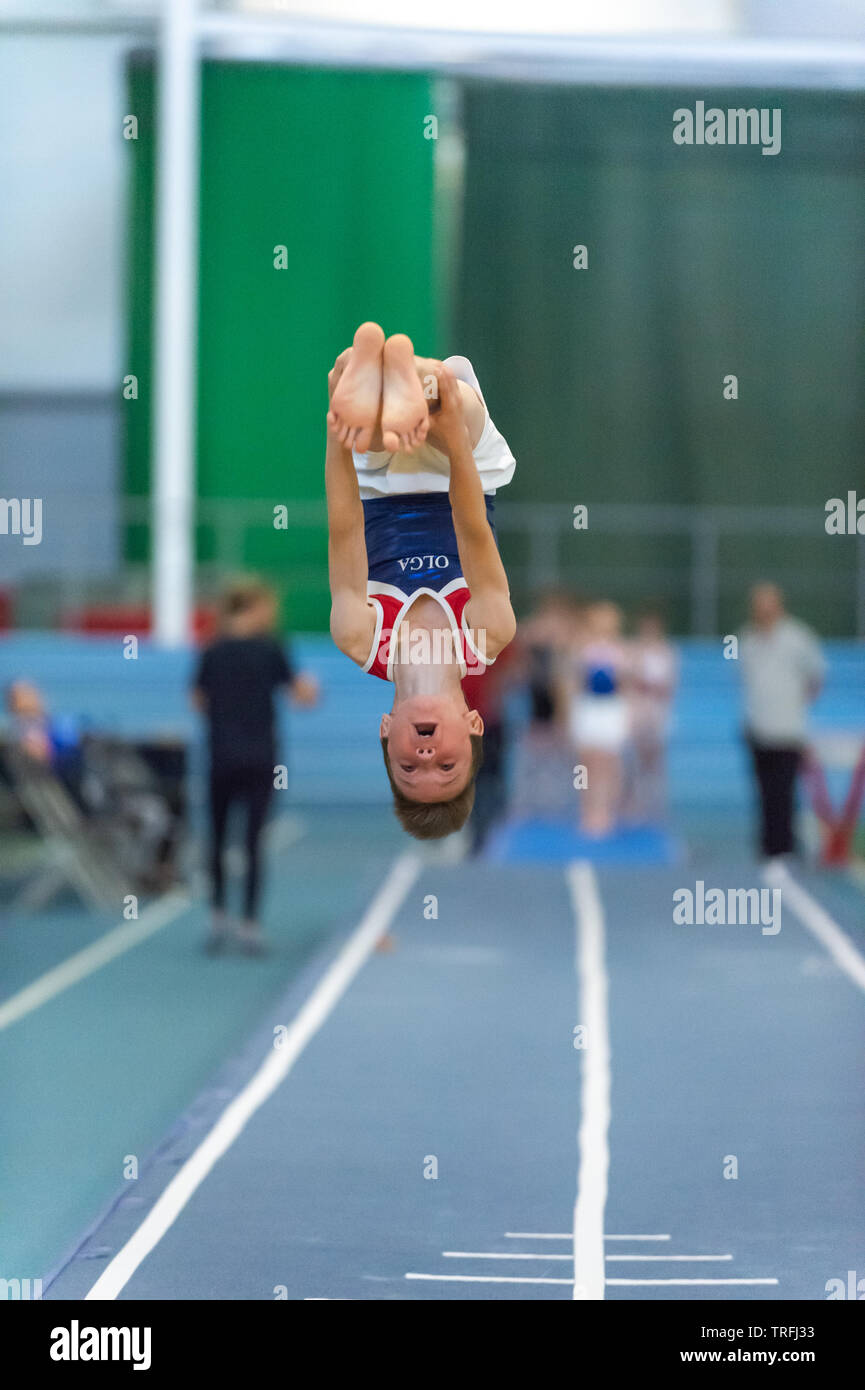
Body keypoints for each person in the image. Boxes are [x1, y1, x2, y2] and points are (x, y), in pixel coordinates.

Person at [325, 321, 517, 839]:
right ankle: (411, 386)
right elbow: (474, 529)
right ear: (474, 727)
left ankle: (367, 379)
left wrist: (337, 434)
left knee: (359, 409)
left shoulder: (360, 638)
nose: (427, 755)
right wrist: (453, 431)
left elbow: (344, 530)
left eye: (410, 768)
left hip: (378, 492)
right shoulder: (487, 635)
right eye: (446, 767)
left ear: (387, 734)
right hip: (461, 474)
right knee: (449, 398)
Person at [192, 577, 318, 954]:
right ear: (256, 608)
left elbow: (196, 699)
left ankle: (217, 917)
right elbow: (301, 697)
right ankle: (249, 923)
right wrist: (310, 686)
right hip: (261, 757)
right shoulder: (271, 648)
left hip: (221, 755)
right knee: (252, 842)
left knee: (216, 837)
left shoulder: (212, 650)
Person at [739, 582, 825, 863]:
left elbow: (816, 676)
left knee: (785, 790)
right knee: (763, 789)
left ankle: (785, 846)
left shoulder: (798, 637)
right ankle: (767, 845)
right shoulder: (746, 639)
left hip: (788, 728)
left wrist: (794, 704)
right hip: (757, 726)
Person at [565, 600, 630, 837]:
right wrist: (572, 713)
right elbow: (575, 682)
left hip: (611, 709)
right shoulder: (583, 647)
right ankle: (588, 811)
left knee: (609, 765)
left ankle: (606, 812)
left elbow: (625, 686)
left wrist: (628, 715)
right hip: (589, 708)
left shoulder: (620, 650)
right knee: (587, 765)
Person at [626, 605, 677, 824]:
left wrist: (652, 687)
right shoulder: (633, 650)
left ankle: (653, 806)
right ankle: (632, 803)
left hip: (657, 713)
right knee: (633, 761)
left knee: (653, 762)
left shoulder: (667, 652)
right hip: (638, 711)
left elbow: (669, 686)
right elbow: (628, 680)